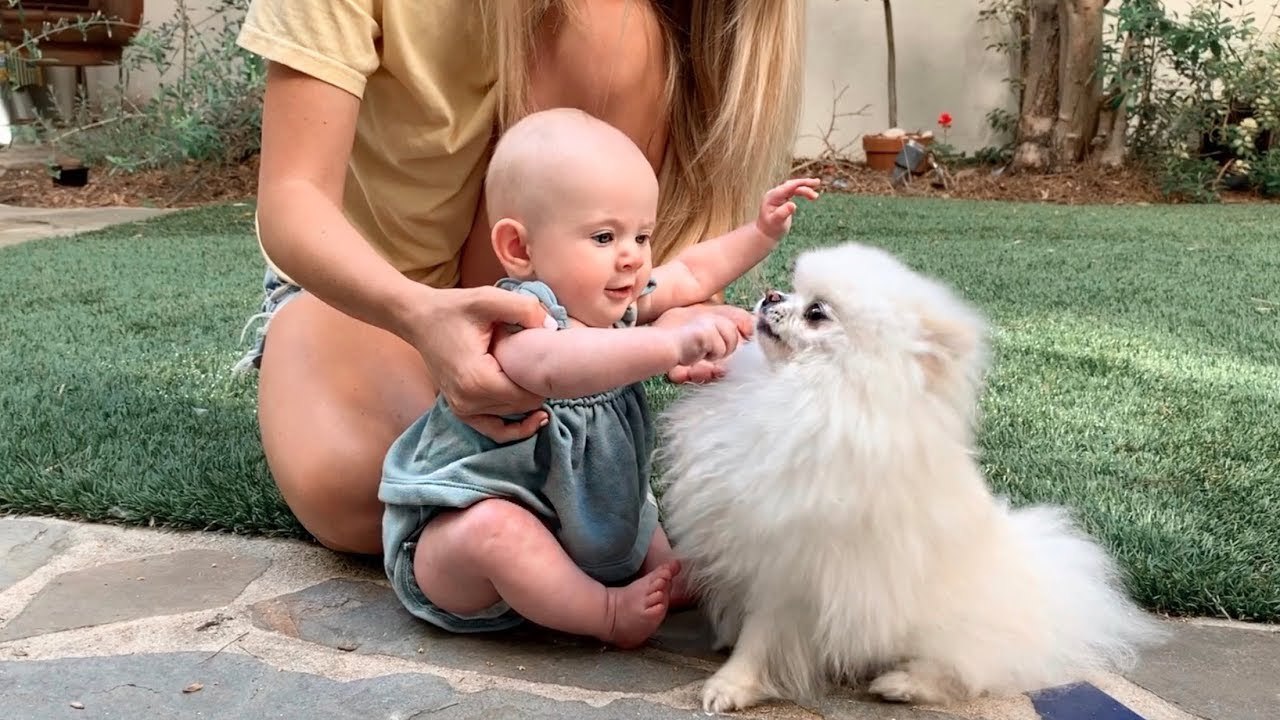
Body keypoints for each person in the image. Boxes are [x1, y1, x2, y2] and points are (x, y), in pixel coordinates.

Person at [233, 0, 808, 556]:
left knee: (609, 30)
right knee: (377, 488)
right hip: (371, 295)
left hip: (540, 302)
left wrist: (671, 305)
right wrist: (417, 312)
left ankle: (543, 376)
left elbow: (674, 260)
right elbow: (293, 198)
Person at [378, 107, 820, 647]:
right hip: (465, 559)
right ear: (520, 248)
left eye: (642, 235)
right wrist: (667, 344)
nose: (632, 258)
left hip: (579, 520)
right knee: (496, 531)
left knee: (642, 509)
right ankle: (605, 612)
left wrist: (759, 232)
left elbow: (692, 272)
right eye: (605, 237)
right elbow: (557, 367)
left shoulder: (622, 304)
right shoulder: (522, 318)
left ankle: (664, 575)